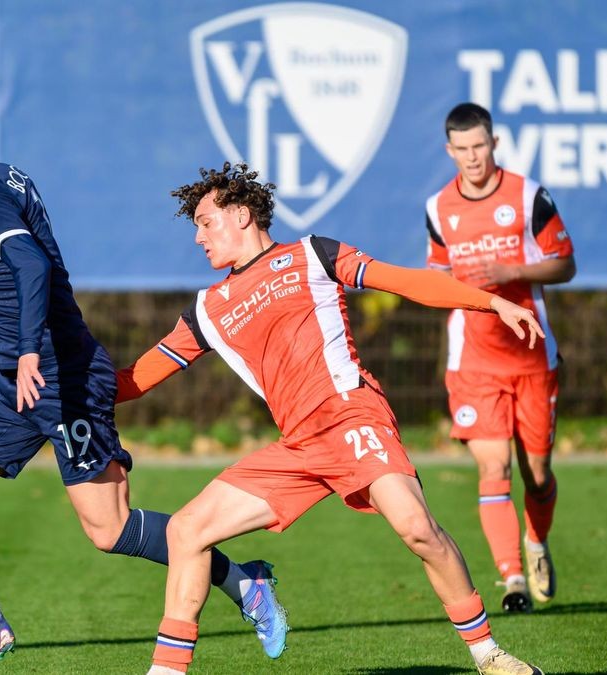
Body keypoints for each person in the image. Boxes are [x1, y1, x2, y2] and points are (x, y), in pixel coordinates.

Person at [0, 106, 287, 675]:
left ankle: (245, 581)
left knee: (110, 530)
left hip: (56, 377)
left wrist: (31, 348)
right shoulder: (0, 176)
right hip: (12, 382)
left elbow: (32, 267)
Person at [117, 162, 546, 675]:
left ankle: (489, 655)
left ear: (242, 214)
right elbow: (135, 379)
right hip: (298, 446)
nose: (198, 238)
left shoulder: (313, 255)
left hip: (351, 417)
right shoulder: (208, 308)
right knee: (186, 531)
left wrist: (490, 303)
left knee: (417, 529)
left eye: (206, 223)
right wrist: (63, 388)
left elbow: (407, 283)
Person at [425, 103, 576, 613]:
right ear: (450, 150)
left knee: (538, 474)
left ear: (494, 143)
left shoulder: (528, 195)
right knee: (494, 466)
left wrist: (511, 269)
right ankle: (512, 580)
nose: (472, 157)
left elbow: (566, 264)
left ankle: (537, 542)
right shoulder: (438, 207)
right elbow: (438, 274)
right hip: (473, 361)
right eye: (462, 149)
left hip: (532, 357)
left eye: (479, 146)